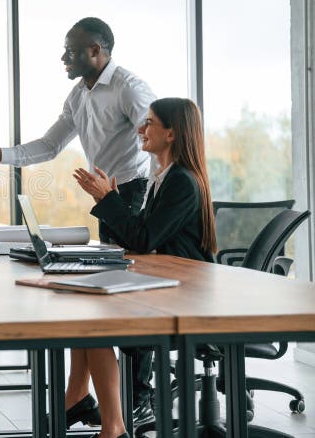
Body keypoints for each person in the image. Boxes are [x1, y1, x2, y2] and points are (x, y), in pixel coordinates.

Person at [0, 17, 158, 426]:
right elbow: (48, 145)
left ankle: (141, 399)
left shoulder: (129, 87)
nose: (64, 57)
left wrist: (151, 193)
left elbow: (155, 135)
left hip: (134, 195)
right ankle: (84, 399)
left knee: (131, 298)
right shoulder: (79, 96)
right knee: (108, 296)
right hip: (107, 197)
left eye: (71, 50)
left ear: (97, 51)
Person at [67, 97, 217, 438]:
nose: (140, 129)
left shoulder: (181, 181)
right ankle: (81, 403)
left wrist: (108, 201)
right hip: (167, 288)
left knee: (96, 324)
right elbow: (140, 238)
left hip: (183, 300)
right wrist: (112, 201)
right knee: (86, 309)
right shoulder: (163, 178)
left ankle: (112, 426)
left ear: (172, 133)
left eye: (149, 123)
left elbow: (145, 238)